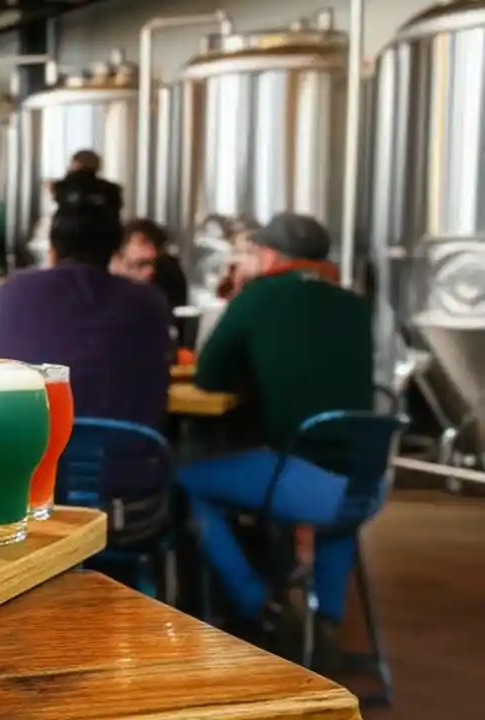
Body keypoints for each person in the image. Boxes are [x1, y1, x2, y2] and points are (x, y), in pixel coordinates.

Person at [178, 214, 373, 671]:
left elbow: (209, 376)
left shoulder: (260, 296)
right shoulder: (354, 304)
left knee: (185, 478)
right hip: (367, 484)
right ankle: (327, 623)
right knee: (337, 504)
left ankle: (256, 603)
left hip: (304, 482)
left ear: (268, 256)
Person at [0, 171, 172, 430]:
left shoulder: (14, 293)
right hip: (130, 464)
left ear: (53, 243)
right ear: (116, 246)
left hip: (32, 465)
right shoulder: (148, 302)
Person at [115, 219, 189, 310]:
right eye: (140, 264)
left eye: (154, 263)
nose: (150, 271)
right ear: (117, 261)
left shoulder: (169, 276)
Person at [52, 150, 124, 218]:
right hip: (104, 230)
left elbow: (60, 201)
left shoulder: (62, 186)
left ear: (76, 164)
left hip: (69, 230)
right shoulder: (112, 189)